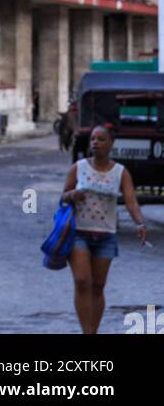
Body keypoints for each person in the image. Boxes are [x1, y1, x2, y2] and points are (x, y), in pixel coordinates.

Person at [61, 124, 147, 335]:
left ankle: (94, 330)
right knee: (82, 282)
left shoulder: (121, 172)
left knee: (98, 286)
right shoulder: (79, 167)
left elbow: (131, 201)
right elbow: (63, 196)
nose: (95, 143)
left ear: (111, 144)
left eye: (100, 139)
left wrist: (140, 223)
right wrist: (73, 195)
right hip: (79, 233)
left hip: (106, 235)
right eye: (92, 139)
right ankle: (86, 332)